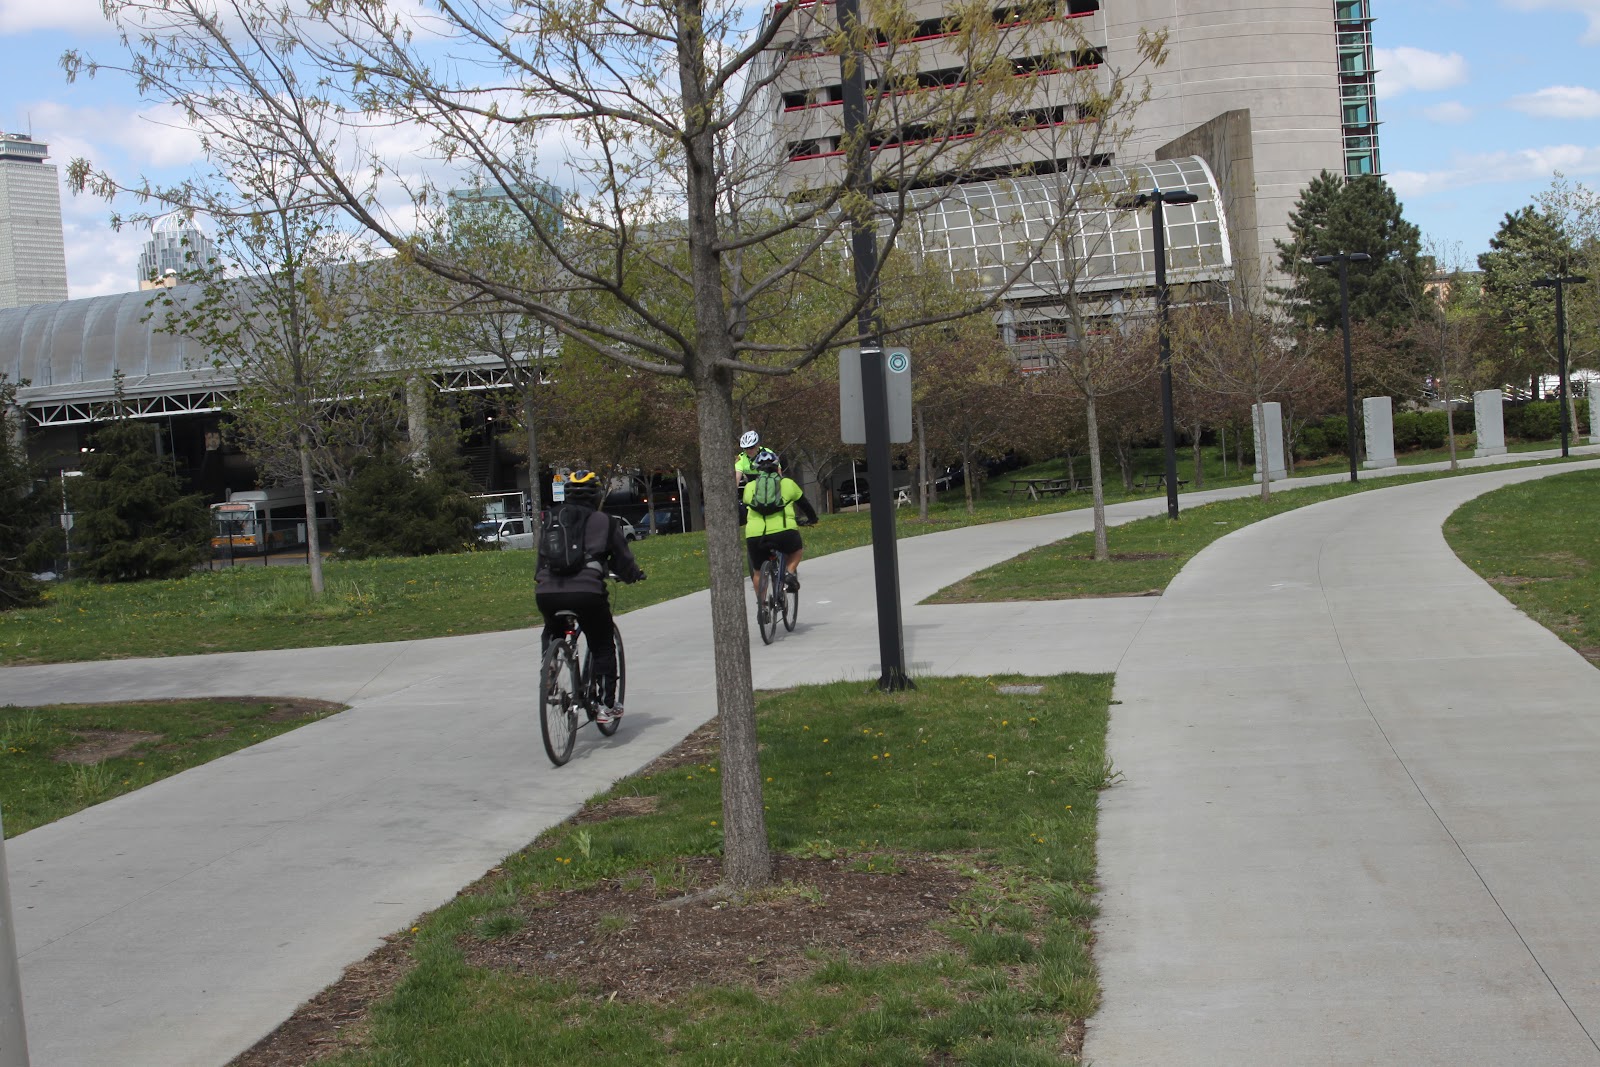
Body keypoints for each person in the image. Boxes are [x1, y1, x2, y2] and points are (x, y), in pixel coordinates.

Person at [535, 469, 645, 725]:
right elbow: (623, 559)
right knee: (603, 643)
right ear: (596, 496)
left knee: (552, 629)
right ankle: (607, 706)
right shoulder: (604, 521)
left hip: (547, 593)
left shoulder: (552, 519)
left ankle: (549, 665)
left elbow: (541, 562)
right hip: (587, 593)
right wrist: (633, 575)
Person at [741, 448, 817, 614]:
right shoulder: (787, 484)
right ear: (778, 468)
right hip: (784, 532)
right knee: (796, 550)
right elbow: (805, 505)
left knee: (758, 572)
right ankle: (789, 573)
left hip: (755, 535)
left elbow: (746, 503)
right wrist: (813, 519)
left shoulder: (750, 487)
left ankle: (762, 607)